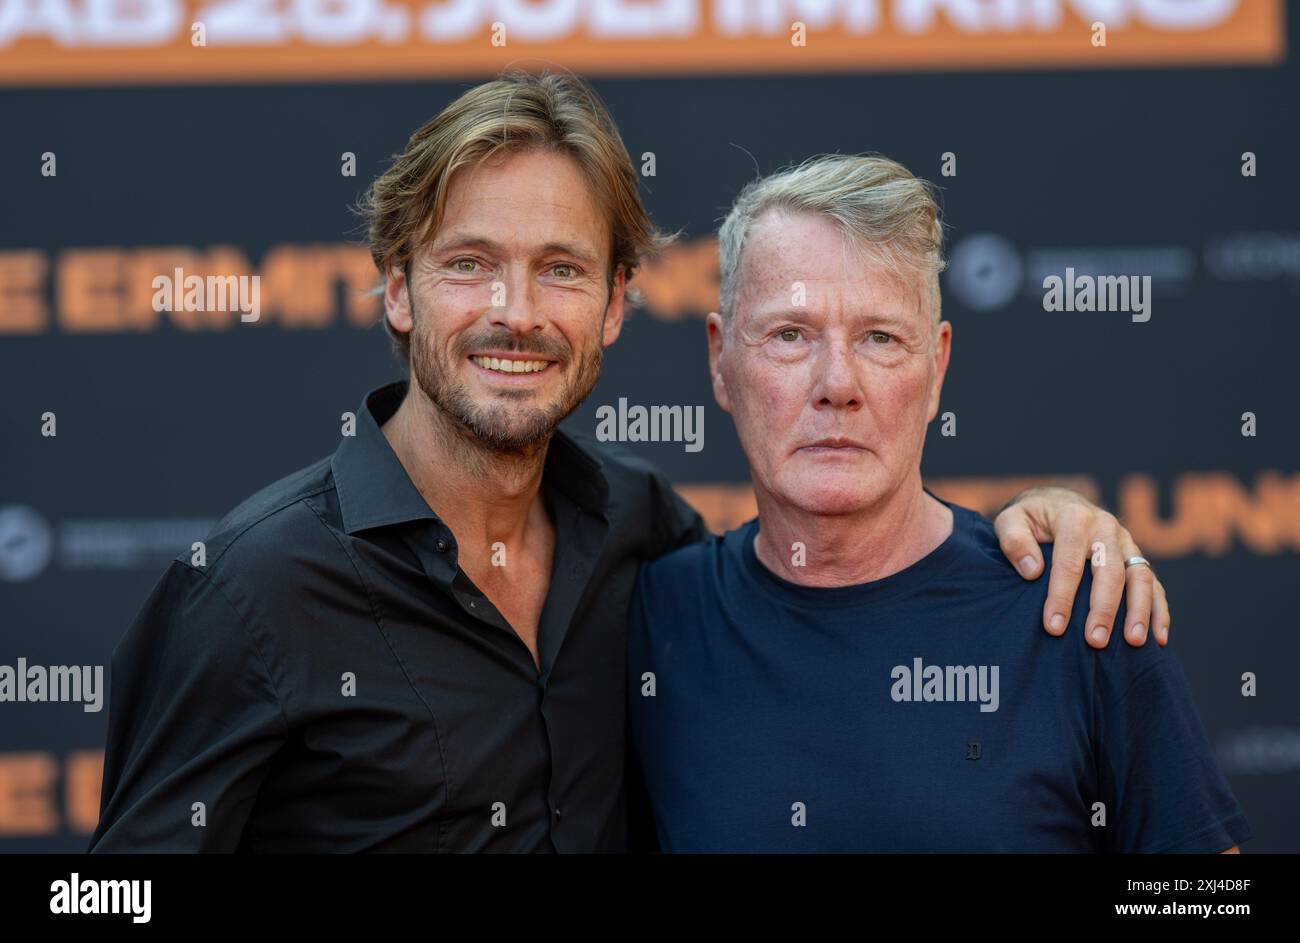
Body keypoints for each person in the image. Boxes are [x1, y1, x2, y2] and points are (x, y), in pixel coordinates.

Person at [91, 73, 1168, 853]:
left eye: (560, 269)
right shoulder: (248, 590)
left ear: (612, 306)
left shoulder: (648, 545)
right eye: (470, 264)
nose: (516, 313)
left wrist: (1048, 516)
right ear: (397, 290)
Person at [626, 153, 1250, 853]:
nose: (838, 382)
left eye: (881, 337)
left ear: (936, 371)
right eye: (790, 335)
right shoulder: (651, 622)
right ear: (720, 361)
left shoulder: (1078, 609)